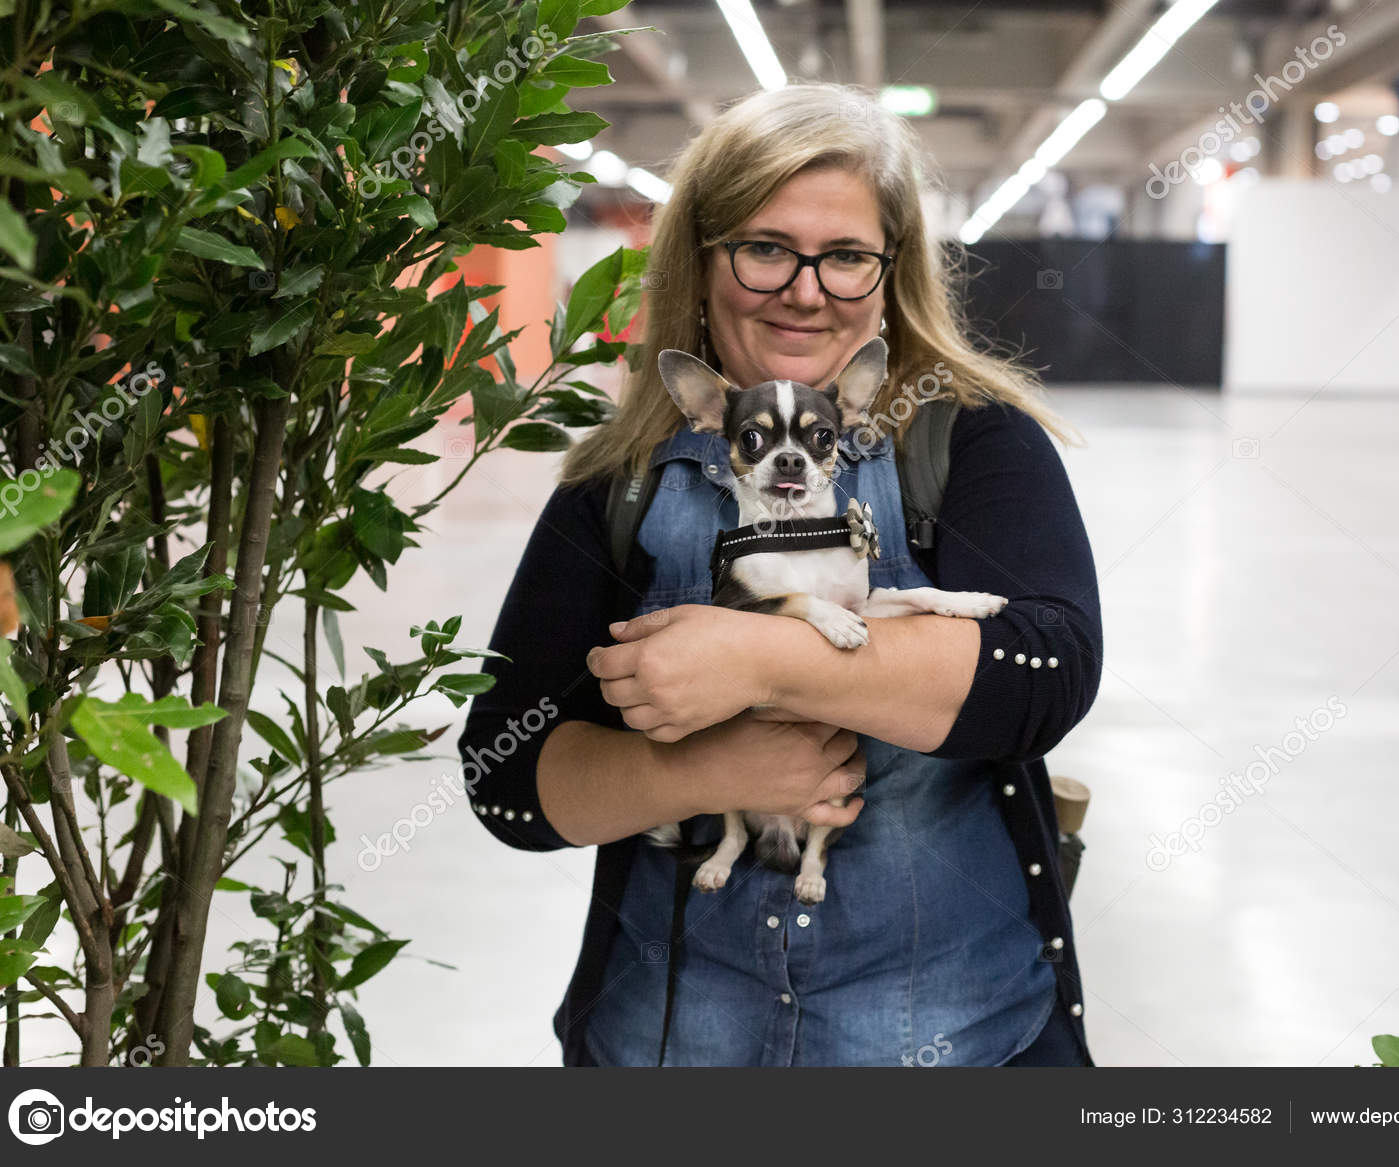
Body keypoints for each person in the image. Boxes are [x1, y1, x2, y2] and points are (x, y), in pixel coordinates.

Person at [458, 83, 1103, 1067]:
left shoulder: (968, 439)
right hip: (670, 1047)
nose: (806, 290)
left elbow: (1046, 672)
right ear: (702, 261)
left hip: (960, 1044)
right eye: (766, 248)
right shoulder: (619, 482)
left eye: (845, 257)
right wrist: (701, 771)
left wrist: (766, 662)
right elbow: (506, 774)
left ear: (890, 274)